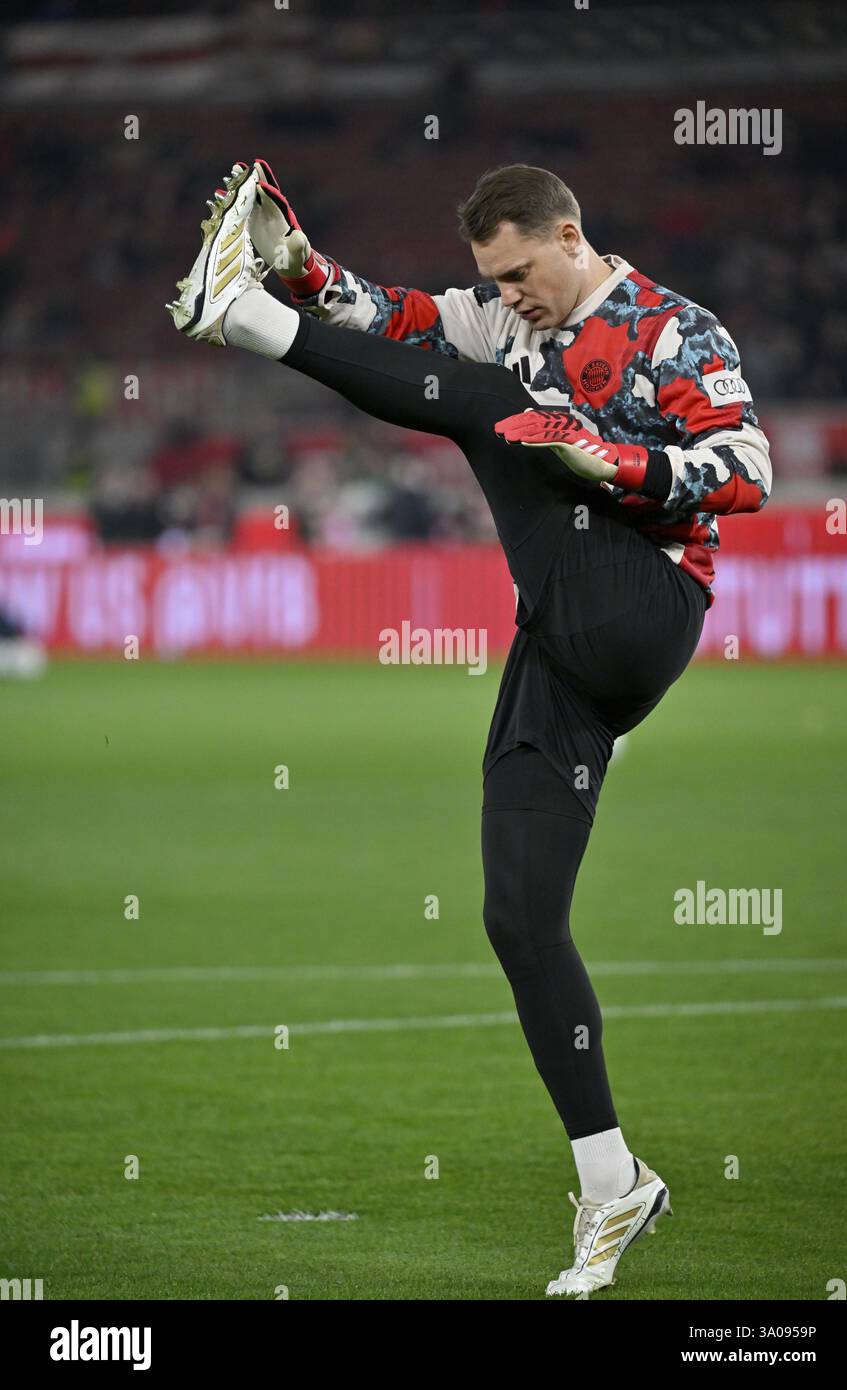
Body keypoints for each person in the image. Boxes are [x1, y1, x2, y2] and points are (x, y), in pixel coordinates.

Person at [167, 160, 771, 1297]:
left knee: (503, 409)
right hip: (560, 643)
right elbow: (395, 327)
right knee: (518, 913)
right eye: (491, 279)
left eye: (521, 272)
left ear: (569, 233)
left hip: (644, 604)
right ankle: (611, 1183)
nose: (509, 297)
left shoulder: (673, 329)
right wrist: (310, 271)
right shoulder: (498, 316)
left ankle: (235, 314)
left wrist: (616, 460)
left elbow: (749, 469)